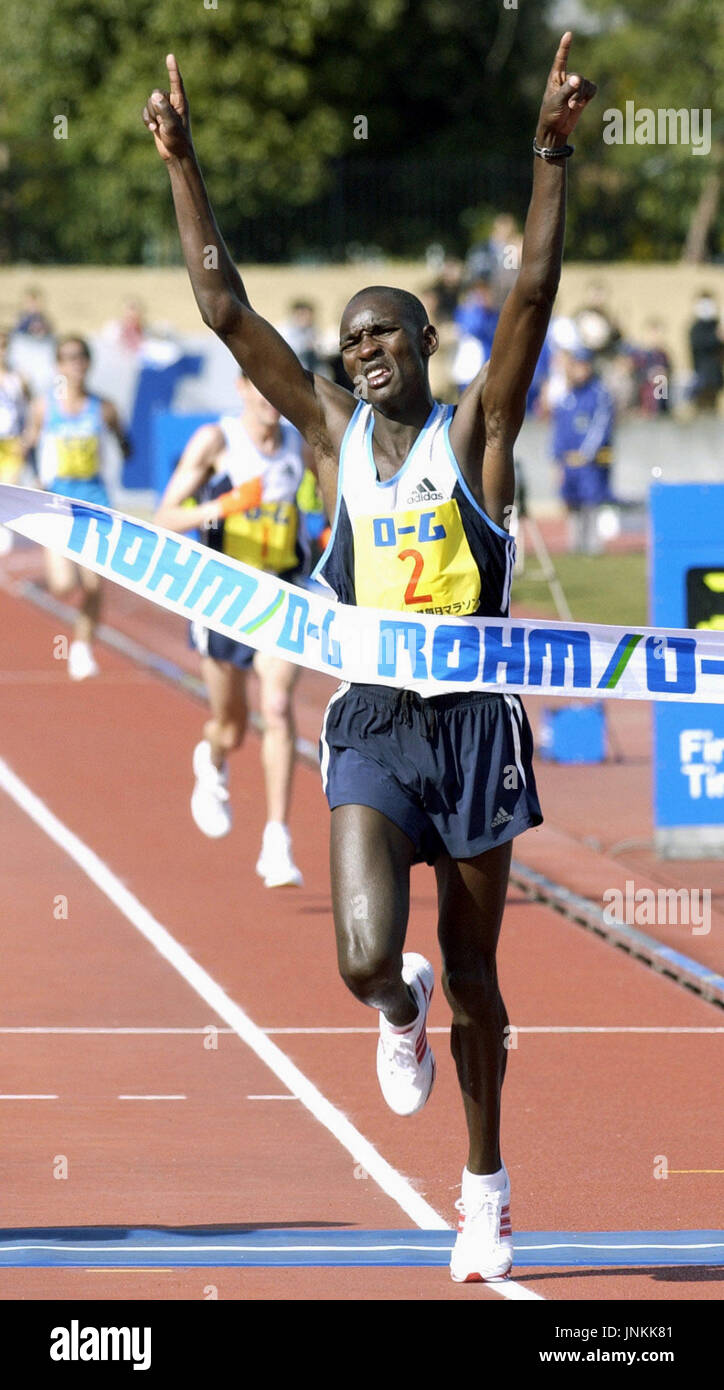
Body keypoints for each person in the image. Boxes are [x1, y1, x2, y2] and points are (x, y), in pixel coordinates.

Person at [143, 31, 596, 1282]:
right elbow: (227, 310)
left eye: (381, 333)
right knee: (365, 958)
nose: (358, 350)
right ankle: (391, 1016)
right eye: (347, 341)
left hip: (474, 727)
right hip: (376, 722)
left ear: (424, 346)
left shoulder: (478, 435)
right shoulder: (332, 434)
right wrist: (185, 164)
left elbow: (536, 299)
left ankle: (485, 1188)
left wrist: (548, 153)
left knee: (475, 972)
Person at [155, 372, 310, 886]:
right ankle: (213, 756)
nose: (272, 401)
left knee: (278, 707)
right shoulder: (217, 440)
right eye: (262, 388)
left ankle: (276, 842)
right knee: (231, 726)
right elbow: (164, 517)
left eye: (278, 388)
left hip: (282, 593)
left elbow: (331, 511)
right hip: (223, 596)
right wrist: (223, 506)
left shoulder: (300, 443)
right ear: (242, 386)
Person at [24, 336, 131, 680]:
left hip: (94, 501)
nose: (75, 364)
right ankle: (49, 581)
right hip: (57, 501)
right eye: (68, 358)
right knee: (62, 585)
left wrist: (121, 444)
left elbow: (125, 442)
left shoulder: (103, 407)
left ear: (89, 363)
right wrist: (34, 477)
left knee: (94, 584)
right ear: (58, 365)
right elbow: (30, 442)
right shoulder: (44, 406)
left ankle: (81, 648)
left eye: (81, 357)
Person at [552, 345, 615, 554]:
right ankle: (575, 546)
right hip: (569, 462)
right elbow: (559, 432)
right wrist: (557, 460)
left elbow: (601, 427)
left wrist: (585, 454)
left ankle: (593, 546)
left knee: (591, 502)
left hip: (591, 463)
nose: (579, 370)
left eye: (583, 365)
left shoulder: (599, 394)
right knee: (572, 504)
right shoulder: (567, 397)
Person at [0, 328, 30, 555]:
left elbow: (28, 412)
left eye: (3, 345)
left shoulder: (18, 379)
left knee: (6, 492)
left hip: (10, 444)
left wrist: (26, 438)